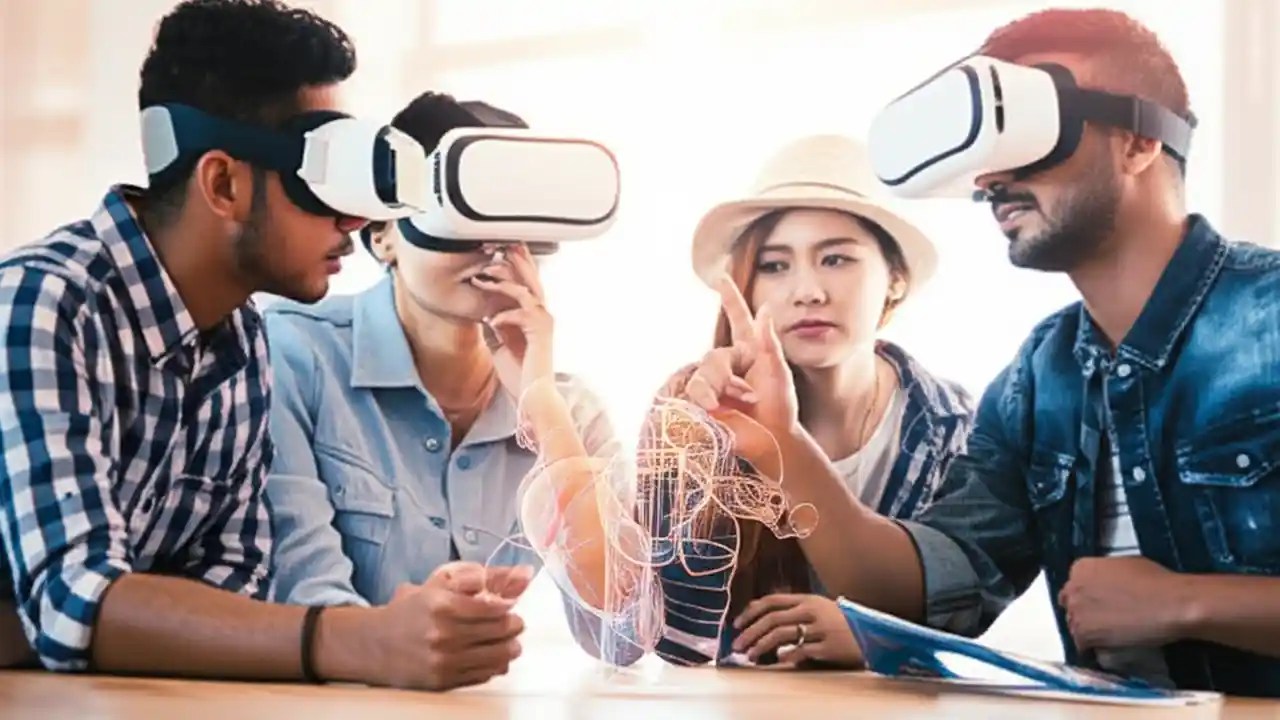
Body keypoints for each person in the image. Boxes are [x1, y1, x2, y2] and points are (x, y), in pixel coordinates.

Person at [683, 8, 1280, 697]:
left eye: (1028, 128)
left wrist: (1185, 602)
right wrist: (781, 444)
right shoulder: (1038, 380)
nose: (993, 175)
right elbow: (916, 592)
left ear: (1139, 141)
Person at [0, 0, 528, 691]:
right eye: (322, 177)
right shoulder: (44, 303)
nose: (355, 218)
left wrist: (74, 621)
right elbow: (78, 605)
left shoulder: (245, 342)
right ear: (223, 183)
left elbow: (235, 592)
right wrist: (362, 639)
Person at [263, 91, 626, 669]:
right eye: (459, 214)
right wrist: (397, 632)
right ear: (382, 235)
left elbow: (623, 633)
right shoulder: (294, 354)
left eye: (515, 223)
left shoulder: (571, 411)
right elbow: (305, 594)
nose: (492, 248)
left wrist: (545, 412)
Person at [642, 133, 974, 667]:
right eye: (774, 266)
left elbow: (967, 611)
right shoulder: (694, 406)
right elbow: (672, 632)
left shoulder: (951, 424)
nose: (808, 292)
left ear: (895, 280)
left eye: (837, 259)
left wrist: (873, 638)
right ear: (746, 288)